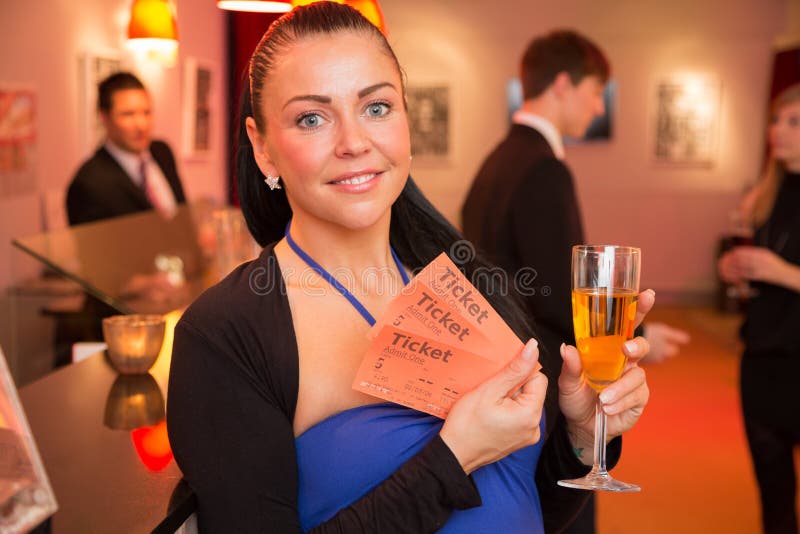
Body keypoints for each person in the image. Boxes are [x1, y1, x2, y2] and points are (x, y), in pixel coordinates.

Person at [167, 4, 652, 532]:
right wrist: (453, 458)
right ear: (263, 149)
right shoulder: (226, 334)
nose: (355, 143)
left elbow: (520, 503)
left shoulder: (466, 283)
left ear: (406, 122)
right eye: (312, 117)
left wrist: (581, 437)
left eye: (376, 108)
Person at [461, 29, 688, 532]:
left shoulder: (497, 161)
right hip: (547, 384)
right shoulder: (544, 169)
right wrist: (641, 335)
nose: (597, 107)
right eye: (595, 92)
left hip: (501, 373)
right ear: (563, 84)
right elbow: (562, 299)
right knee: (563, 512)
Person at [718, 83, 800, 534]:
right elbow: (758, 274)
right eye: (775, 120)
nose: (777, 131)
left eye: (793, 122)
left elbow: (779, 270)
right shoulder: (765, 193)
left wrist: (780, 271)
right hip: (762, 363)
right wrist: (737, 269)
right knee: (774, 494)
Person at [66, 72, 185, 225]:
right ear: (104, 118)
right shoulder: (89, 183)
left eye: (146, 112)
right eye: (128, 114)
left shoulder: (162, 152)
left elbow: (183, 215)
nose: (141, 124)